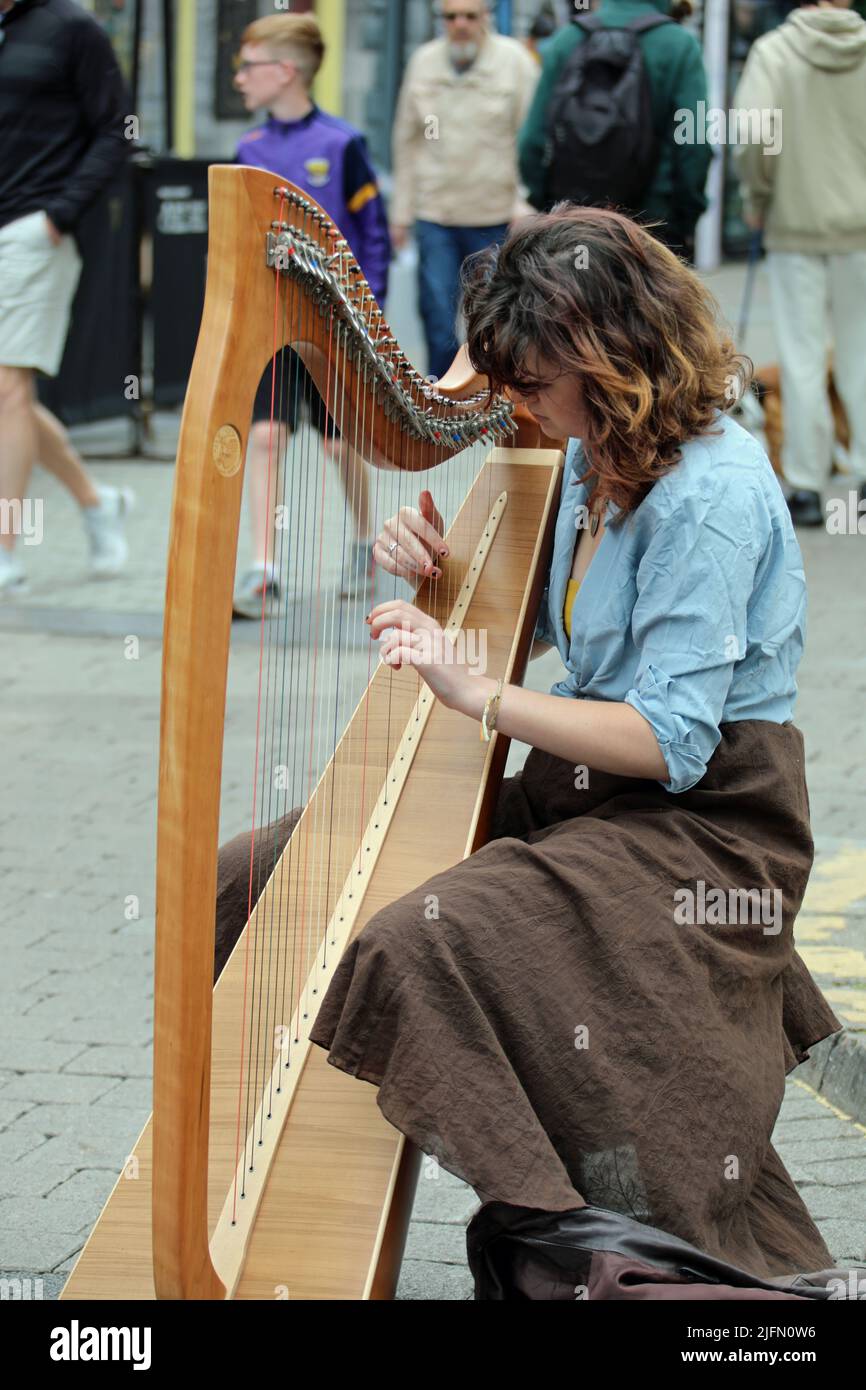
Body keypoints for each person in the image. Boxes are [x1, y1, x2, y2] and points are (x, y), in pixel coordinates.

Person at [213, 205, 846, 1297]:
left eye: (534, 384)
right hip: (588, 792)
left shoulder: (708, 497)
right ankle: (240, 1201)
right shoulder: (589, 457)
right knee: (249, 875)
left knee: (419, 940)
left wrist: (482, 696)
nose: (512, 408)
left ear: (613, 363)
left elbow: (667, 739)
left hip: (700, 828)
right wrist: (426, 563)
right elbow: (550, 617)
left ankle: (579, 1243)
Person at [233, 13, 391, 611]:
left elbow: (373, 231)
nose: (240, 79)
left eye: (248, 67)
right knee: (268, 437)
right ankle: (264, 566)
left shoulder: (343, 144)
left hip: (333, 321)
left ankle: (360, 540)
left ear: (285, 70)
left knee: (335, 442)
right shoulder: (248, 148)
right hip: (272, 320)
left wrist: (365, 305)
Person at [0, 0, 134, 598]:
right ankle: (96, 500)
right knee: (8, 397)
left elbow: (116, 130)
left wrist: (60, 215)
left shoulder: (72, 27)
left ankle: (5, 549)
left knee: (8, 386)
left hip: (33, 231)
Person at [732, 0, 866, 527]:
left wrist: (757, 198)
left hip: (795, 222)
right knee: (861, 351)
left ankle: (808, 485)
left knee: (802, 355)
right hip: (862, 229)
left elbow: (753, 136)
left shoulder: (774, 52)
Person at [390, 0, 539, 380]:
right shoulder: (423, 62)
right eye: (451, 16)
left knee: (495, 318)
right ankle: (443, 400)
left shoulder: (515, 63)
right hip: (435, 213)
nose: (460, 25)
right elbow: (406, 141)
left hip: (494, 215)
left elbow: (533, 139)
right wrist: (401, 212)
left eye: (470, 16)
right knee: (437, 313)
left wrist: (524, 202)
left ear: (486, 17)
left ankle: (494, 396)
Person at [518, 0, 710, 263]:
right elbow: (695, 147)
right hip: (651, 232)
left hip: (573, 230)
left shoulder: (568, 39)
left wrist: (550, 208)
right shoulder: (678, 45)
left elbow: (531, 143)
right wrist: (684, 220)